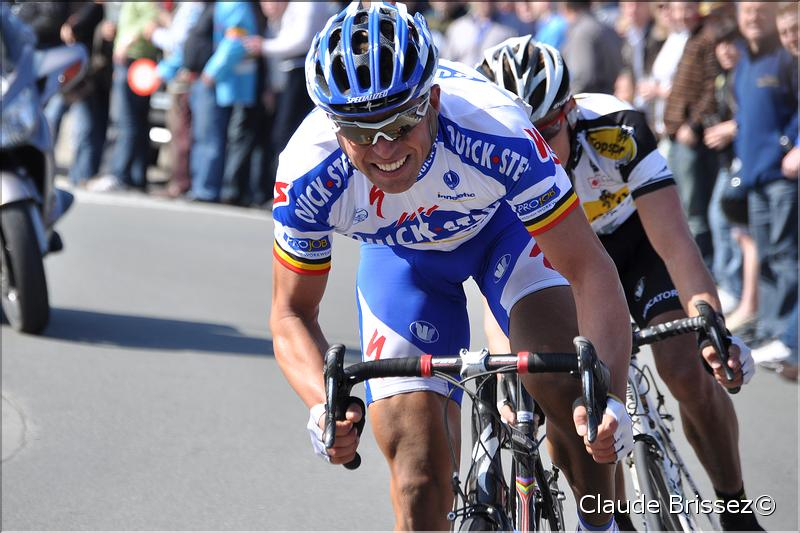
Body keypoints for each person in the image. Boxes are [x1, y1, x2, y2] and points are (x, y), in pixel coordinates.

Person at [271, 3, 636, 531]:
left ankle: (600, 523)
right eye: (360, 129)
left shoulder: (495, 127)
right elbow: (290, 313)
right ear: (332, 124)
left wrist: (611, 400)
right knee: (418, 478)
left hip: (504, 233)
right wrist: (319, 405)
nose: (385, 148)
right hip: (403, 261)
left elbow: (590, 270)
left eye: (400, 121)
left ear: (434, 101)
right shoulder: (307, 171)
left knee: (571, 394)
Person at [477, 36, 760, 532]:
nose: (535, 149)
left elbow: (674, 242)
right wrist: (508, 365)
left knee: (685, 370)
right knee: (575, 399)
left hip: (633, 246)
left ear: (569, 111)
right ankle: (615, 520)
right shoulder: (493, 159)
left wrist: (708, 320)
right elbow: (501, 282)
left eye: (545, 131)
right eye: (523, 135)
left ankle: (735, 509)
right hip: (555, 267)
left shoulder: (618, 127)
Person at [734, 2, 798, 352]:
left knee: (785, 255)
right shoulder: (744, 59)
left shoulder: (787, 56)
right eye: (747, 12)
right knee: (767, 255)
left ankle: (788, 335)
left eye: (761, 10)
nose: (754, 18)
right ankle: (773, 329)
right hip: (755, 178)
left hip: (782, 176)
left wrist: (792, 144)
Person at [559, 1, 623, 95]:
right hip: (610, 99)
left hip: (593, 103)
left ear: (565, 7)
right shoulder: (606, 27)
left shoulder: (582, 32)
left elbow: (582, 79)